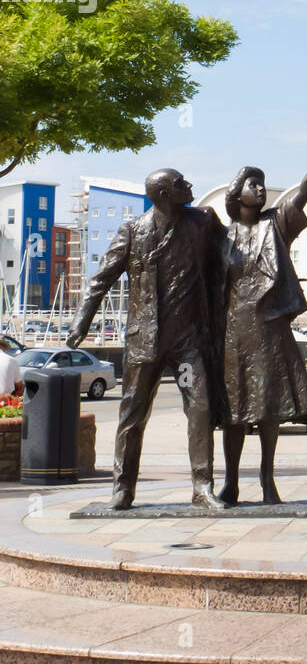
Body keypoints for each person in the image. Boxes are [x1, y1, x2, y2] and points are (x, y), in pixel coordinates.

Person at [68, 169, 226, 511]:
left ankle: (202, 487)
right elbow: (101, 279)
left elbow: (229, 257)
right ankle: (122, 489)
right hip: (145, 341)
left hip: (187, 341)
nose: (190, 186)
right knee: (132, 416)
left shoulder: (203, 222)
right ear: (164, 194)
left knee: (200, 409)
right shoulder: (134, 231)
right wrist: (82, 321)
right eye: (182, 184)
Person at [219, 128, 307, 506]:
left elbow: (305, 190)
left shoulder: (276, 226)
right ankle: (231, 482)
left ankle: (268, 480)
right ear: (237, 194)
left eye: (263, 183)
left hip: (269, 328)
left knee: (269, 409)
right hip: (234, 332)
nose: (260, 188)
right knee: (234, 412)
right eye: (253, 183)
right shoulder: (222, 238)